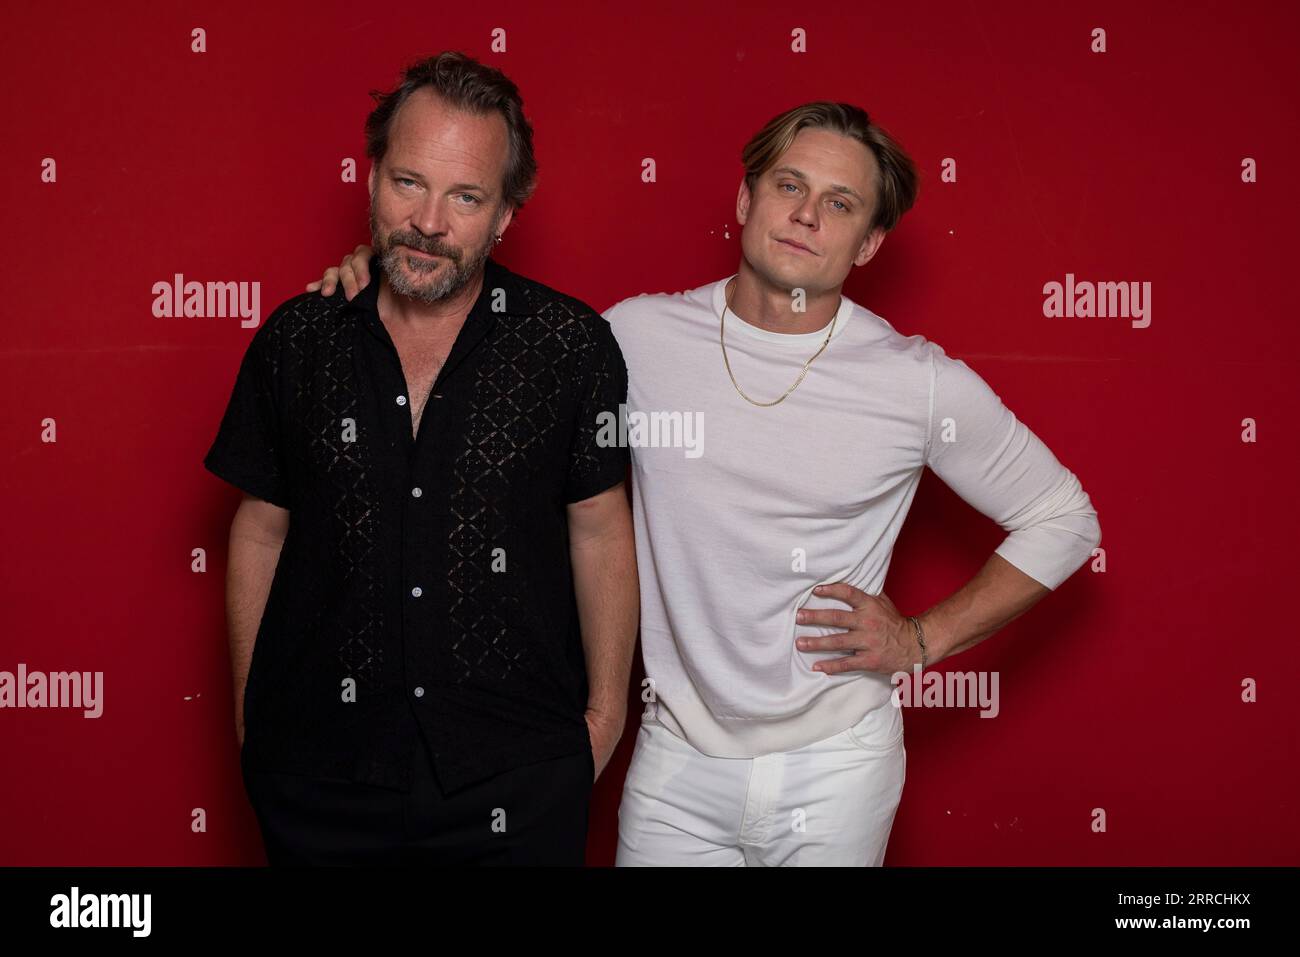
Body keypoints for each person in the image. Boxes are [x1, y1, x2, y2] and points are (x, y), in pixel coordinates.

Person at [312, 101, 1102, 866]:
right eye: (789, 185)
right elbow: (486, 344)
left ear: (868, 242)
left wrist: (923, 639)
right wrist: (384, 279)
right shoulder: (634, 337)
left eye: (840, 202)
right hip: (675, 762)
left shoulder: (916, 382)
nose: (806, 214)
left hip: (836, 765)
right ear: (746, 197)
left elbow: (1063, 517)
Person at [204, 51, 638, 866]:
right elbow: (260, 531)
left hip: (517, 775)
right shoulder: (297, 341)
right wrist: (250, 717)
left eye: (466, 196)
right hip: (318, 773)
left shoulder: (572, 348)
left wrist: (604, 721)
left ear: (507, 212)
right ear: (371, 178)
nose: (430, 221)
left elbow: (600, 531)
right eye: (408, 182)